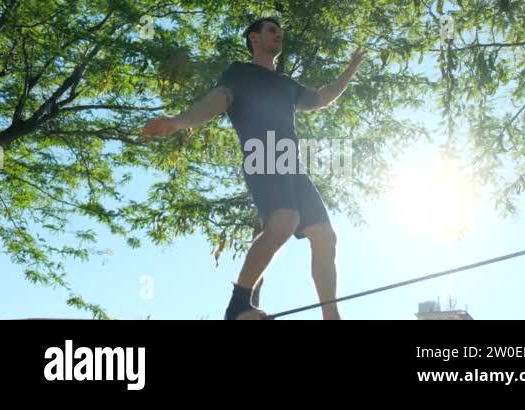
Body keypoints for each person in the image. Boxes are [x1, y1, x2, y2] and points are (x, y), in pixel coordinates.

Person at [141, 17, 364, 320]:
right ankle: (238, 306)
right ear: (254, 39)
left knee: (325, 236)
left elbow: (322, 97)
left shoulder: (286, 85)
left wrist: (349, 71)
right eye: (272, 31)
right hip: (263, 157)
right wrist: (178, 121)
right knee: (285, 221)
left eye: (281, 33)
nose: (279, 36)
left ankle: (331, 316)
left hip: (291, 165)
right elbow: (217, 101)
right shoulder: (240, 73)